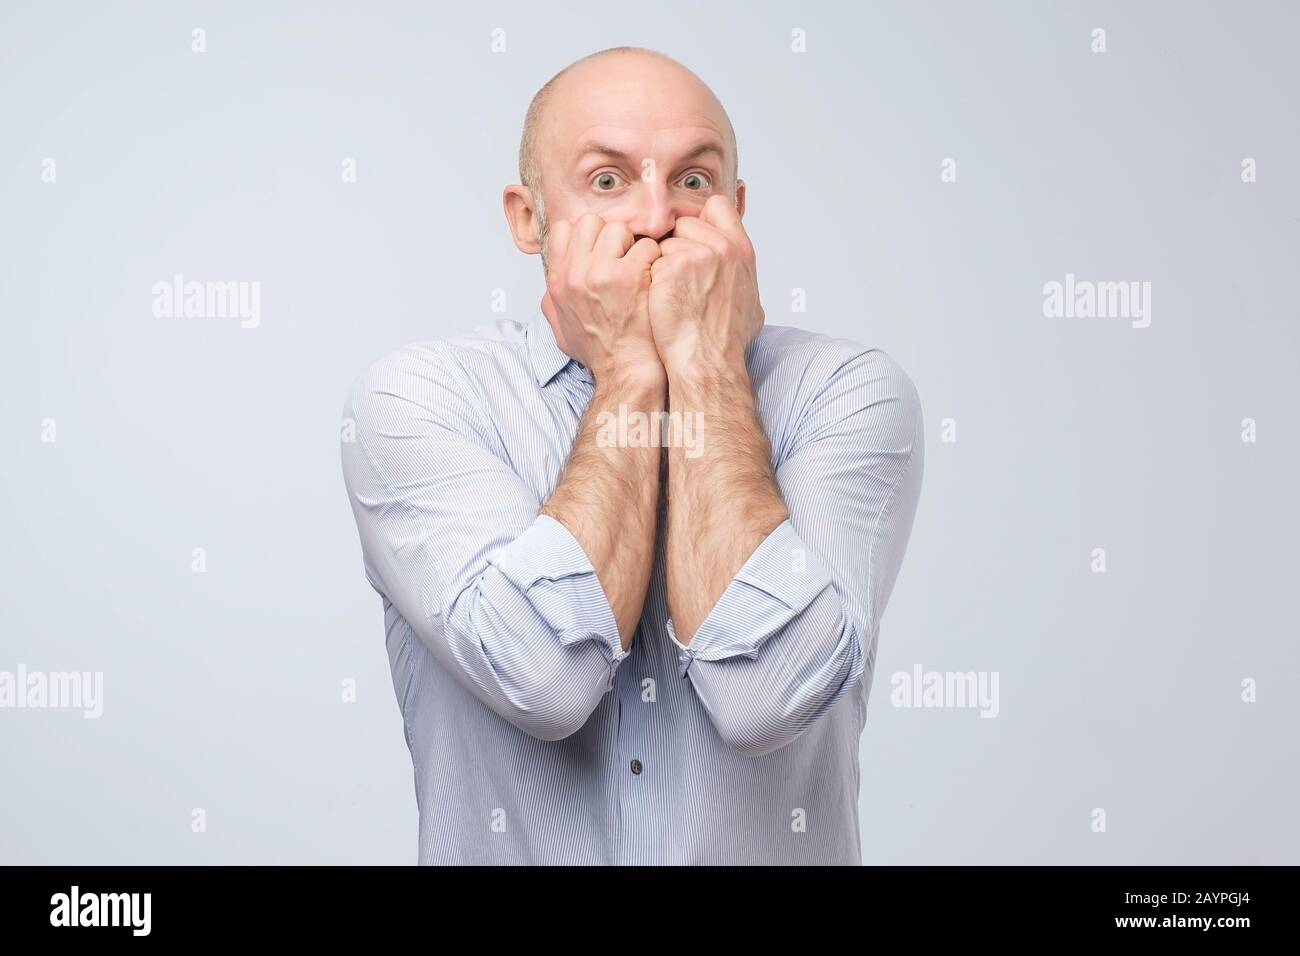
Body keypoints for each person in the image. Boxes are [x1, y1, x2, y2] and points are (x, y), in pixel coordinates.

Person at [340, 46, 924, 864]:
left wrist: (709, 370)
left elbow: (763, 694)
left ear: (737, 210)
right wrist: (630, 374)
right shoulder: (420, 400)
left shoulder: (848, 395)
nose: (656, 218)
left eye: (693, 181)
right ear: (527, 217)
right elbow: (545, 680)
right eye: (608, 181)